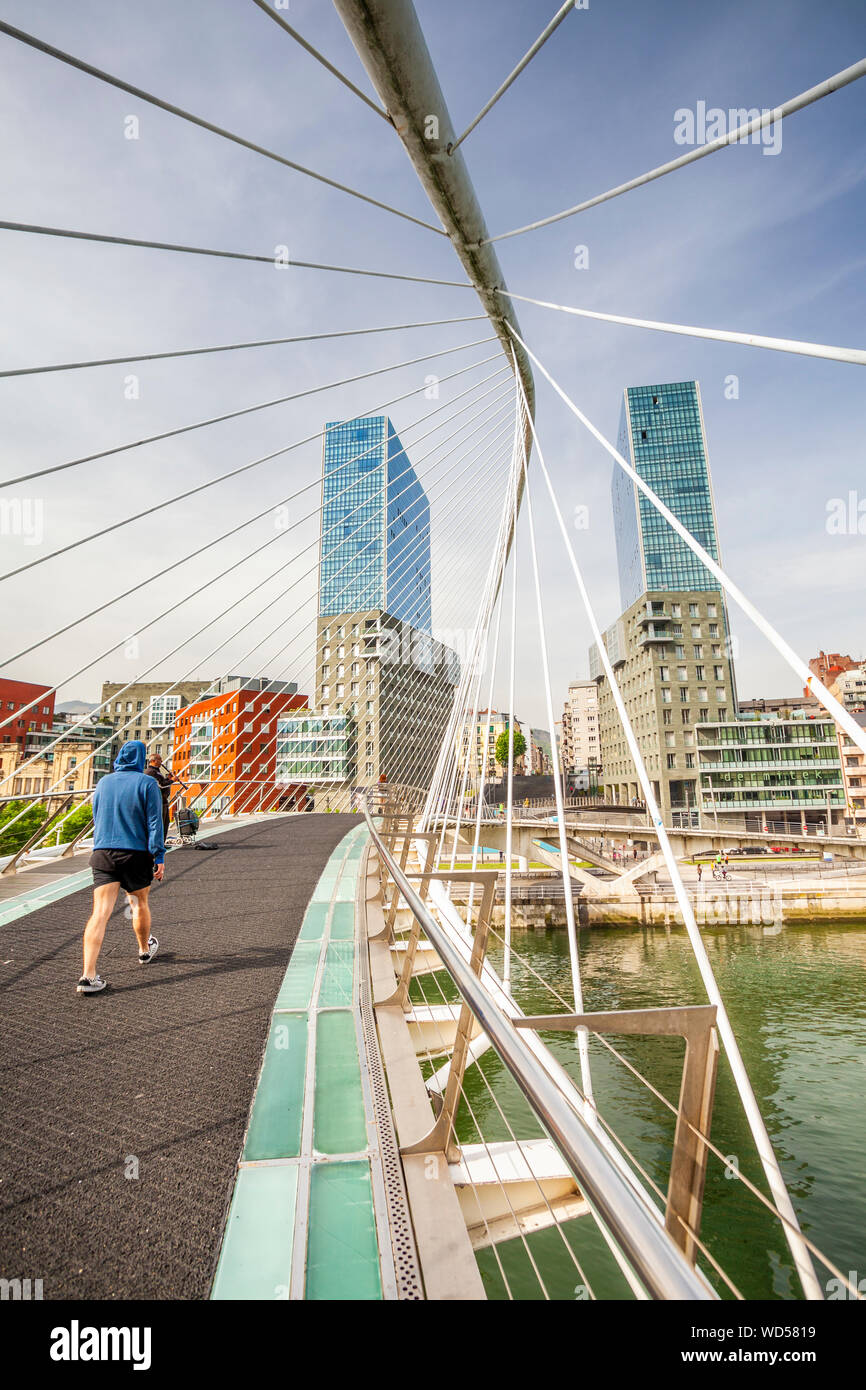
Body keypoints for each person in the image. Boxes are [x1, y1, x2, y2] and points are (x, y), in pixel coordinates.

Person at [77, 740, 165, 995]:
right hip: (136, 854)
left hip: (103, 853)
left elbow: (97, 815)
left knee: (100, 914)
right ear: (140, 759)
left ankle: (88, 975)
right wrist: (158, 855)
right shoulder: (148, 783)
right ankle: (144, 950)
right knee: (138, 904)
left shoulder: (104, 782)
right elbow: (154, 822)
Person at [144, 752, 187, 840]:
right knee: (160, 824)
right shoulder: (150, 772)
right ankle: (158, 843)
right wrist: (172, 781)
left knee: (165, 823)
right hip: (158, 802)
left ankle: (162, 842)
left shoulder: (156, 771)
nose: (161, 761)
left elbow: (162, 782)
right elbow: (161, 785)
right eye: (159, 760)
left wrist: (168, 778)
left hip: (163, 801)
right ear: (154, 761)